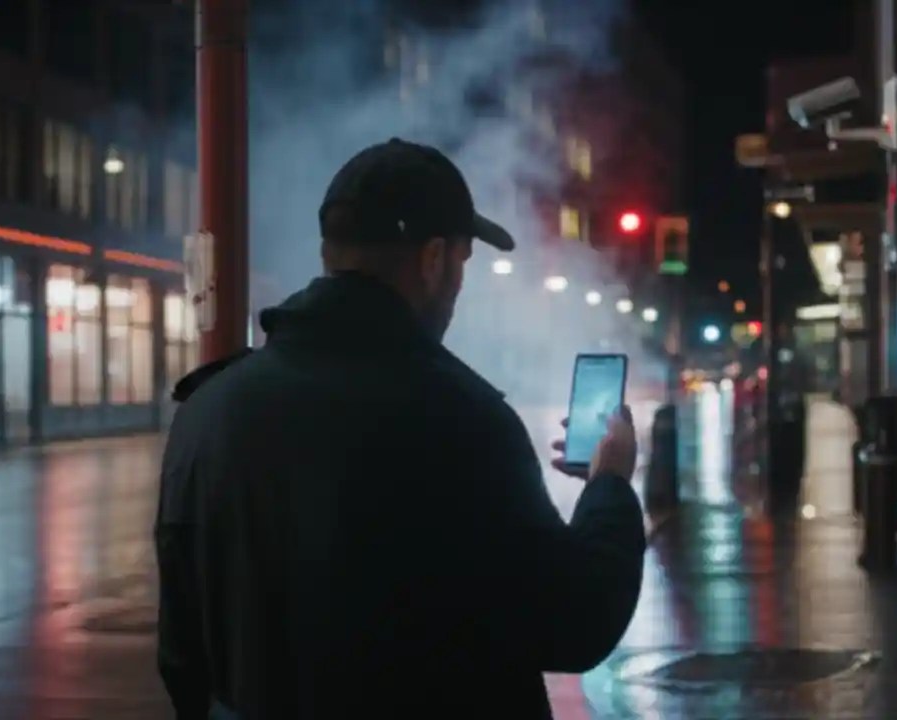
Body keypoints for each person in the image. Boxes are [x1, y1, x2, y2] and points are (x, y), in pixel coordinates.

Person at [154, 138, 647, 719]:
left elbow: (182, 660)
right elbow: (574, 623)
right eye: (463, 262)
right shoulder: (465, 423)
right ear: (433, 259)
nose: (460, 285)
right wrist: (609, 486)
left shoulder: (207, 411)